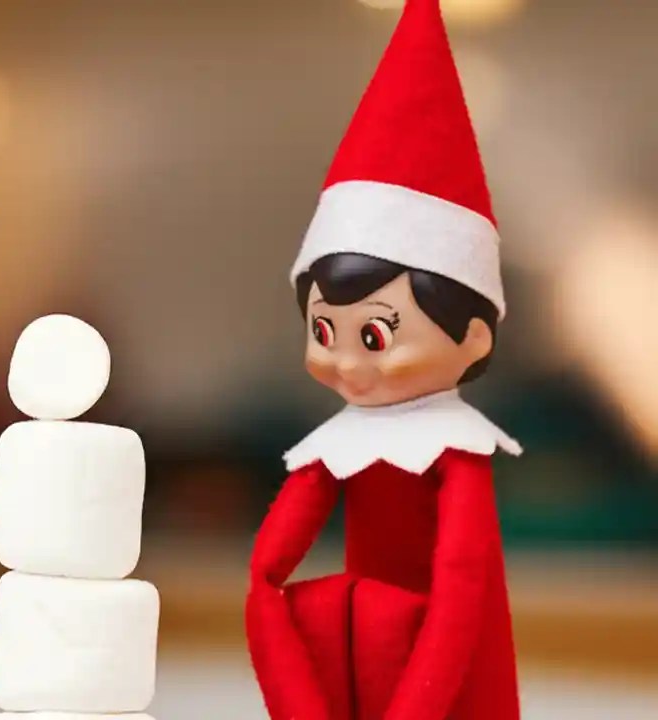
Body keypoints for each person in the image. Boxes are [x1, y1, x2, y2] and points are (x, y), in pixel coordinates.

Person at [244, 1, 522, 718]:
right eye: (323, 332)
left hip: (450, 686)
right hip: (363, 674)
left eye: (373, 336)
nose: (346, 365)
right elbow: (267, 573)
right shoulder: (337, 447)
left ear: (473, 338)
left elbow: (462, 587)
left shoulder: (456, 451)